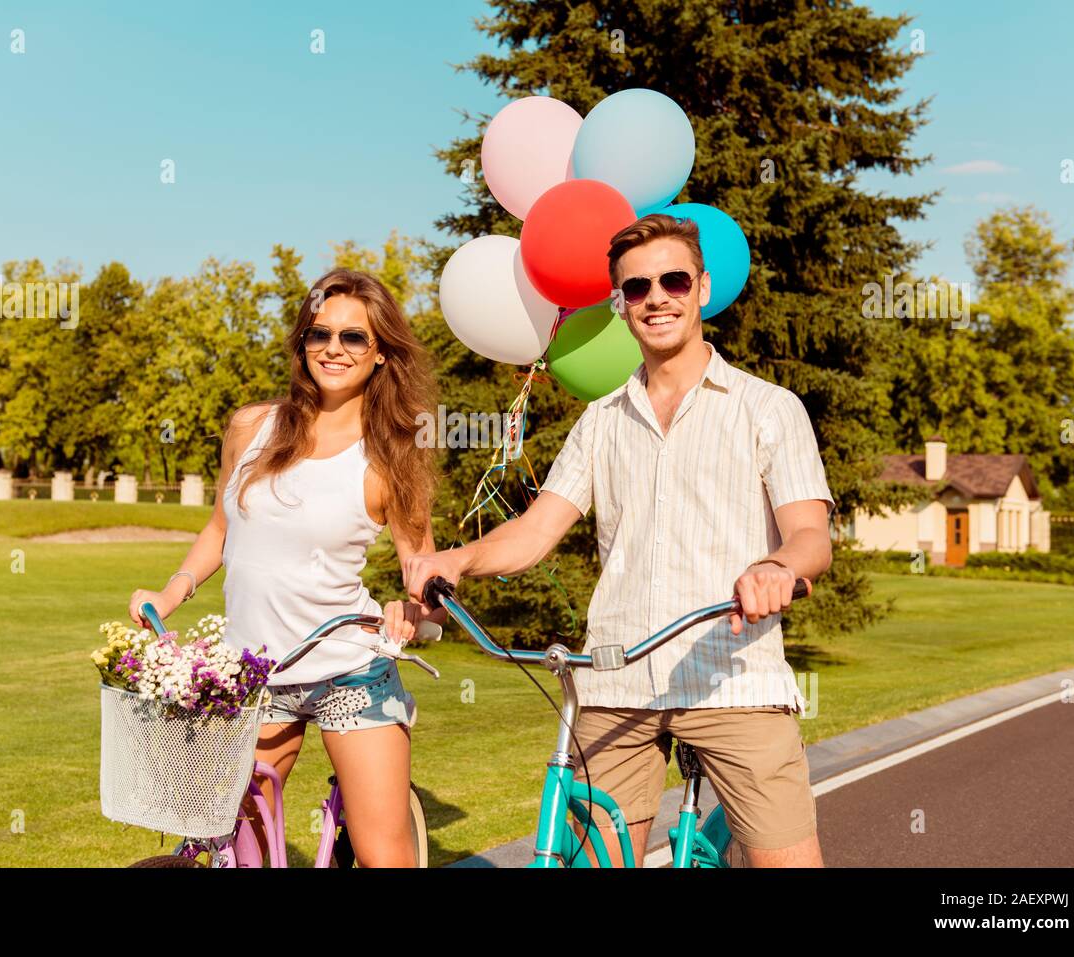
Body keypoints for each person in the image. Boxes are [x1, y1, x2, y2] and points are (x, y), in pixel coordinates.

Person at [404, 213, 835, 867]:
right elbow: (536, 530)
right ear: (618, 302)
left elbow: (810, 535)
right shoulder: (601, 419)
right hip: (616, 682)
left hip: (731, 679)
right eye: (637, 287)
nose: (656, 297)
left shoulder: (766, 408)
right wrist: (458, 558)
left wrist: (776, 566)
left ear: (701, 286)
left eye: (673, 280)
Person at [128, 267, 444, 867]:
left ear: (380, 354)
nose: (333, 348)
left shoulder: (390, 455)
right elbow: (222, 527)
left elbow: (421, 569)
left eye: (354, 338)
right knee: (235, 847)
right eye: (319, 333)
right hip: (253, 676)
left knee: (384, 854)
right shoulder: (254, 427)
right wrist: (171, 593)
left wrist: (414, 609)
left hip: (350, 675)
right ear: (302, 342)